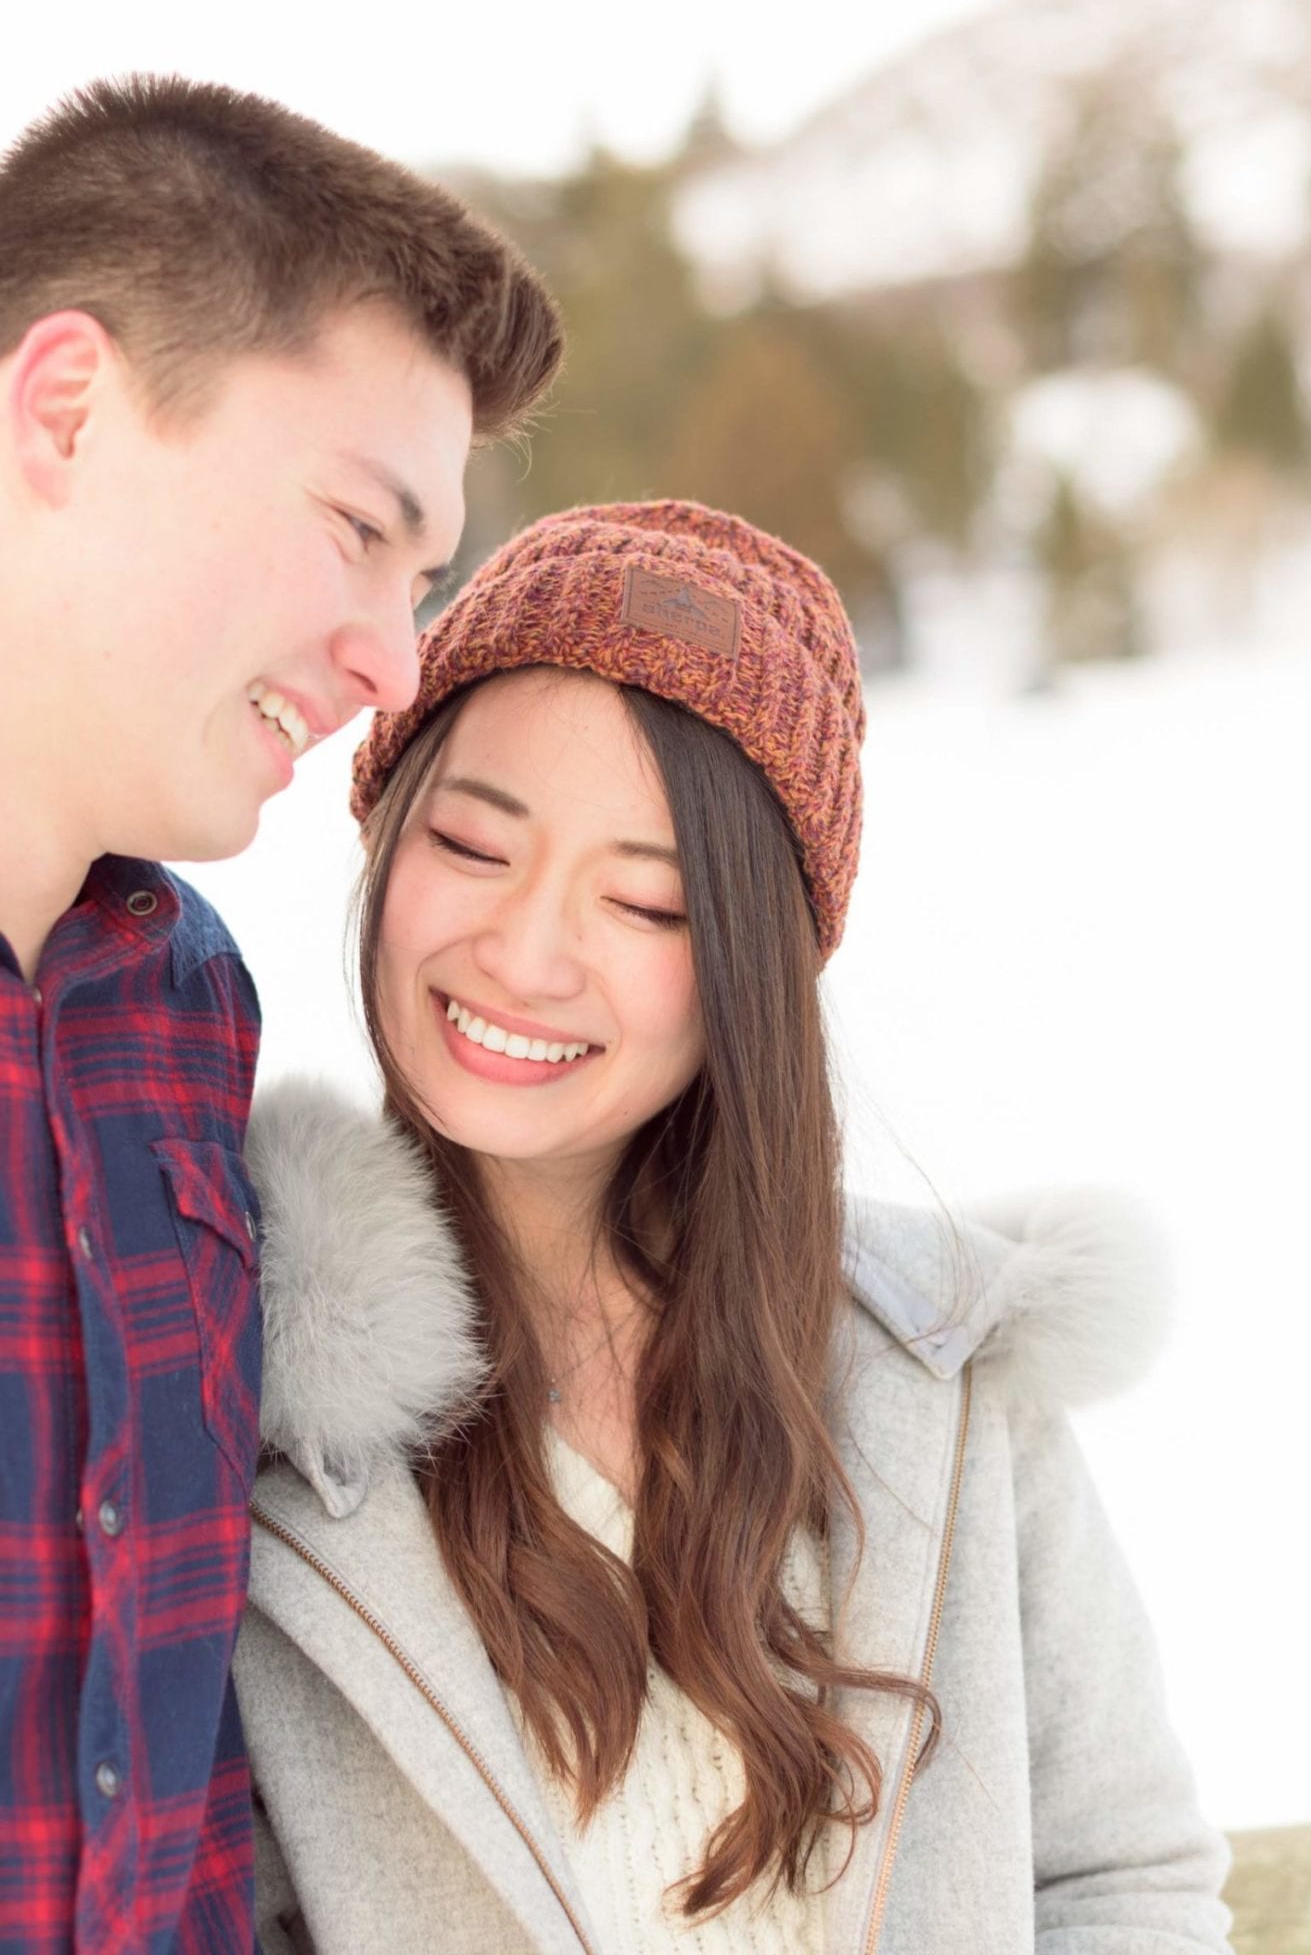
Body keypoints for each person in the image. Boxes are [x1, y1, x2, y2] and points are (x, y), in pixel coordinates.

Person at [237, 500, 1234, 1954]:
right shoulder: (248, 1405)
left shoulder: (944, 1375)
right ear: (384, 839)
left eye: (644, 902)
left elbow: (1119, 1878)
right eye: (469, 841)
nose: (523, 955)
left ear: (751, 970)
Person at [0, 75, 561, 1955]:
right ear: (65, 408)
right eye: (354, 530)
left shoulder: (179, 1020)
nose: (396, 662)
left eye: (426, 583)